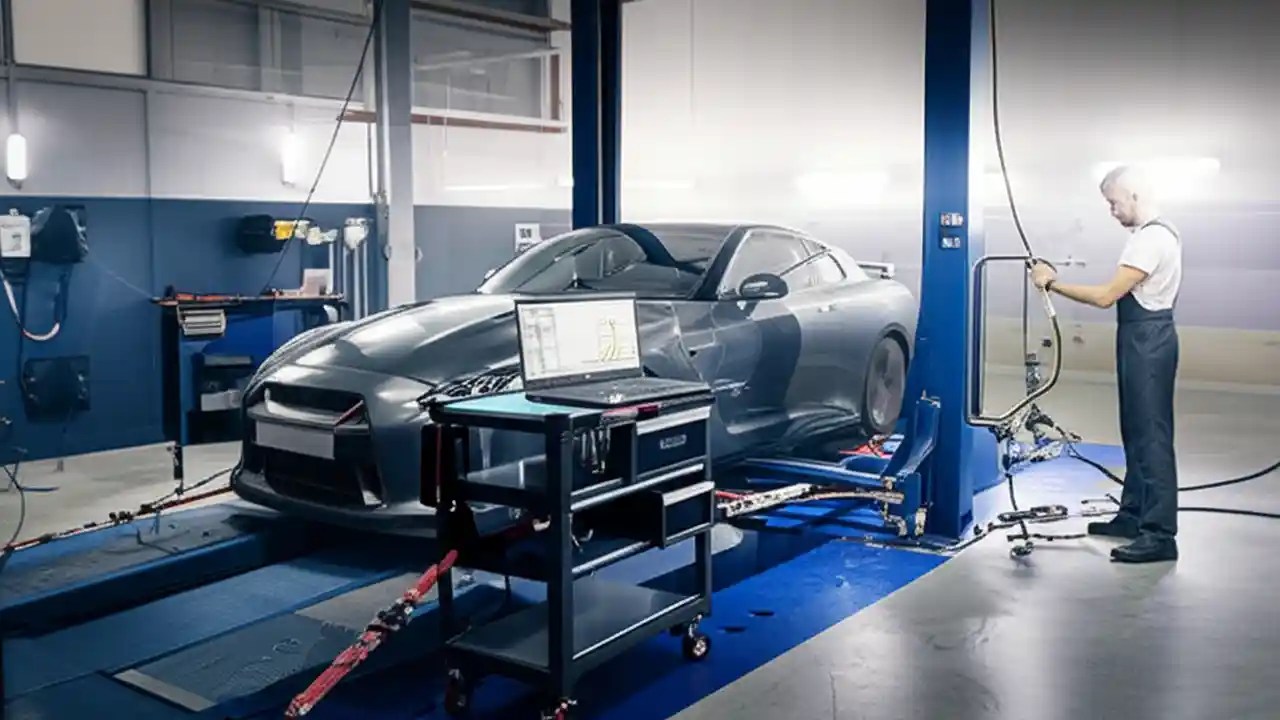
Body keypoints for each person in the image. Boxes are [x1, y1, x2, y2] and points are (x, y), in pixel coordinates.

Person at [1030, 164, 1181, 563]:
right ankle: (1133, 515)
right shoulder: (1151, 236)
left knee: (1152, 437)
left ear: (1133, 193)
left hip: (1148, 340)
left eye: (1114, 202)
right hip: (1141, 337)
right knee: (1135, 430)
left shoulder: (1149, 240)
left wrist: (1052, 282)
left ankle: (1160, 534)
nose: (1111, 211)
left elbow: (1105, 296)